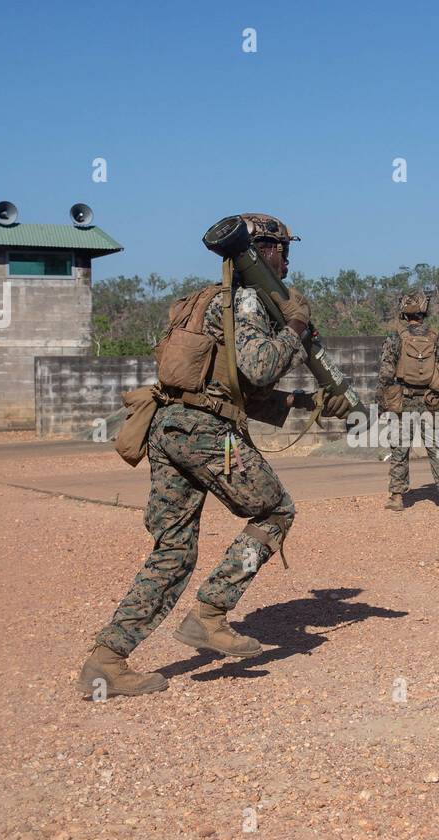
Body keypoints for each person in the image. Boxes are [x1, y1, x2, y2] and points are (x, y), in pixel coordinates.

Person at [78, 213, 351, 698]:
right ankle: (210, 612)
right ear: (262, 251)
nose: (287, 261)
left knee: (173, 551)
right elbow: (259, 364)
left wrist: (309, 403)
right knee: (274, 511)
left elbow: (233, 387)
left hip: (170, 427)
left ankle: (106, 661)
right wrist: (294, 326)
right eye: (282, 250)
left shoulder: (209, 301)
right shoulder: (246, 301)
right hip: (207, 433)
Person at [376, 290, 439, 511]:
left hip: (403, 402)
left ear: (404, 311)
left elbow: (385, 375)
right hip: (431, 401)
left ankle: (396, 497)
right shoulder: (438, 337)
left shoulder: (395, 338)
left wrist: (382, 405)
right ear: (425, 309)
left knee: (399, 451)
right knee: (437, 449)